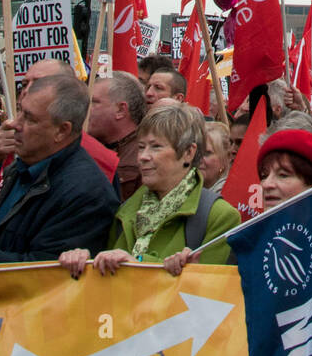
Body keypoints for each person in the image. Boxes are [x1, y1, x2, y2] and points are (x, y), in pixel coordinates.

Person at [58, 102, 239, 273]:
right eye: (141, 147)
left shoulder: (219, 217)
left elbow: (211, 293)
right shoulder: (125, 210)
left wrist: (139, 266)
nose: (143, 157)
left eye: (156, 147)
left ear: (188, 152)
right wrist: (83, 260)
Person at [166, 128, 312, 273]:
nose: (267, 184)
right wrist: (194, 276)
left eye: (283, 175)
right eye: (264, 175)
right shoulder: (246, 249)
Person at [0, 75, 118, 263]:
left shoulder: (87, 193)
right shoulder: (22, 168)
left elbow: (42, 273)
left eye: (30, 119)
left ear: (62, 131)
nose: (15, 124)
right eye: (19, 111)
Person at [86, 72, 147, 200]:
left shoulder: (146, 153)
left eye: (93, 102)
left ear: (120, 110)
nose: (85, 108)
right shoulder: (83, 147)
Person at [200, 121, 230, 194]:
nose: (199, 158)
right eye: (196, 151)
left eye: (207, 153)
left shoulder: (228, 194)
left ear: (225, 159)